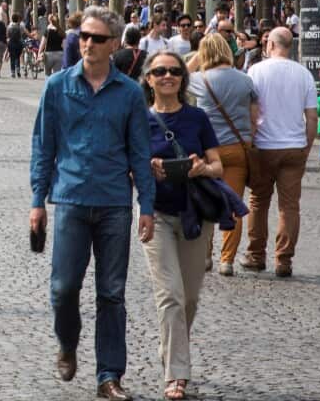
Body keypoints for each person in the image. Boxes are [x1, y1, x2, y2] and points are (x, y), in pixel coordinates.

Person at [30, 6, 154, 401]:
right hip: (69, 199)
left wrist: (146, 206)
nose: (87, 43)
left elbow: (140, 153)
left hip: (115, 204)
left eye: (97, 38)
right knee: (63, 288)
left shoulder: (131, 93)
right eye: (83, 36)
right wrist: (37, 201)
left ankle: (109, 376)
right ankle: (67, 342)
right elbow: (43, 146)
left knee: (112, 293)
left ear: (114, 44)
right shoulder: (57, 87)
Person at [140, 50, 224, 400]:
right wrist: (149, 166)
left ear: (182, 78)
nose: (167, 76)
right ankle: (176, 374)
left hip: (194, 216)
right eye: (160, 71)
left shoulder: (197, 118)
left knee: (189, 298)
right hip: (157, 215)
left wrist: (202, 168)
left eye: (174, 71)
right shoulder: (139, 121)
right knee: (170, 295)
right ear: (149, 79)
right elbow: (128, 168)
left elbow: (219, 166)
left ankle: (170, 352)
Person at [244, 27, 317, 277]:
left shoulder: (255, 71)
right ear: (290, 45)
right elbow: (312, 117)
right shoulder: (304, 74)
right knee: (289, 206)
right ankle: (283, 260)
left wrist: (251, 140)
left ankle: (255, 255)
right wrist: (306, 147)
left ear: (271, 45)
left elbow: (250, 112)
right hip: (294, 147)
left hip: (264, 146)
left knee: (258, 201)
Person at [186, 33, 258, 276]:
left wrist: (199, 55)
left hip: (208, 152)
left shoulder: (199, 79)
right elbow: (254, 117)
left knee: (205, 203)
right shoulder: (245, 80)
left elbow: (178, 75)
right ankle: (226, 260)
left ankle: (205, 257)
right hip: (238, 149)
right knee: (234, 205)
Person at [6, 13, 27, 78]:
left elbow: (7, 35)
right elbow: (22, 33)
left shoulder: (9, 26)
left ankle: (12, 72)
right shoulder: (20, 26)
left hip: (11, 43)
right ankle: (18, 70)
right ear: (18, 19)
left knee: (12, 57)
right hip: (18, 43)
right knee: (17, 57)